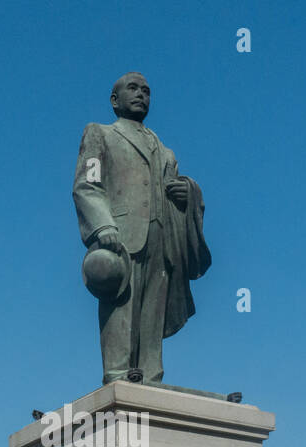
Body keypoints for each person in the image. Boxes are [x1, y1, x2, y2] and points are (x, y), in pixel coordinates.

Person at [73, 71, 210, 385]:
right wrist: (102, 225)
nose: (141, 95)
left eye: (146, 91)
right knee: (120, 302)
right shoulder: (100, 134)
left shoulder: (165, 151)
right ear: (114, 100)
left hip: (162, 238)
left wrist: (188, 193)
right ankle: (117, 371)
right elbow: (87, 184)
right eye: (132, 89)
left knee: (153, 307)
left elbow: (178, 190)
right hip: (121, 233)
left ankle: (151, 373)